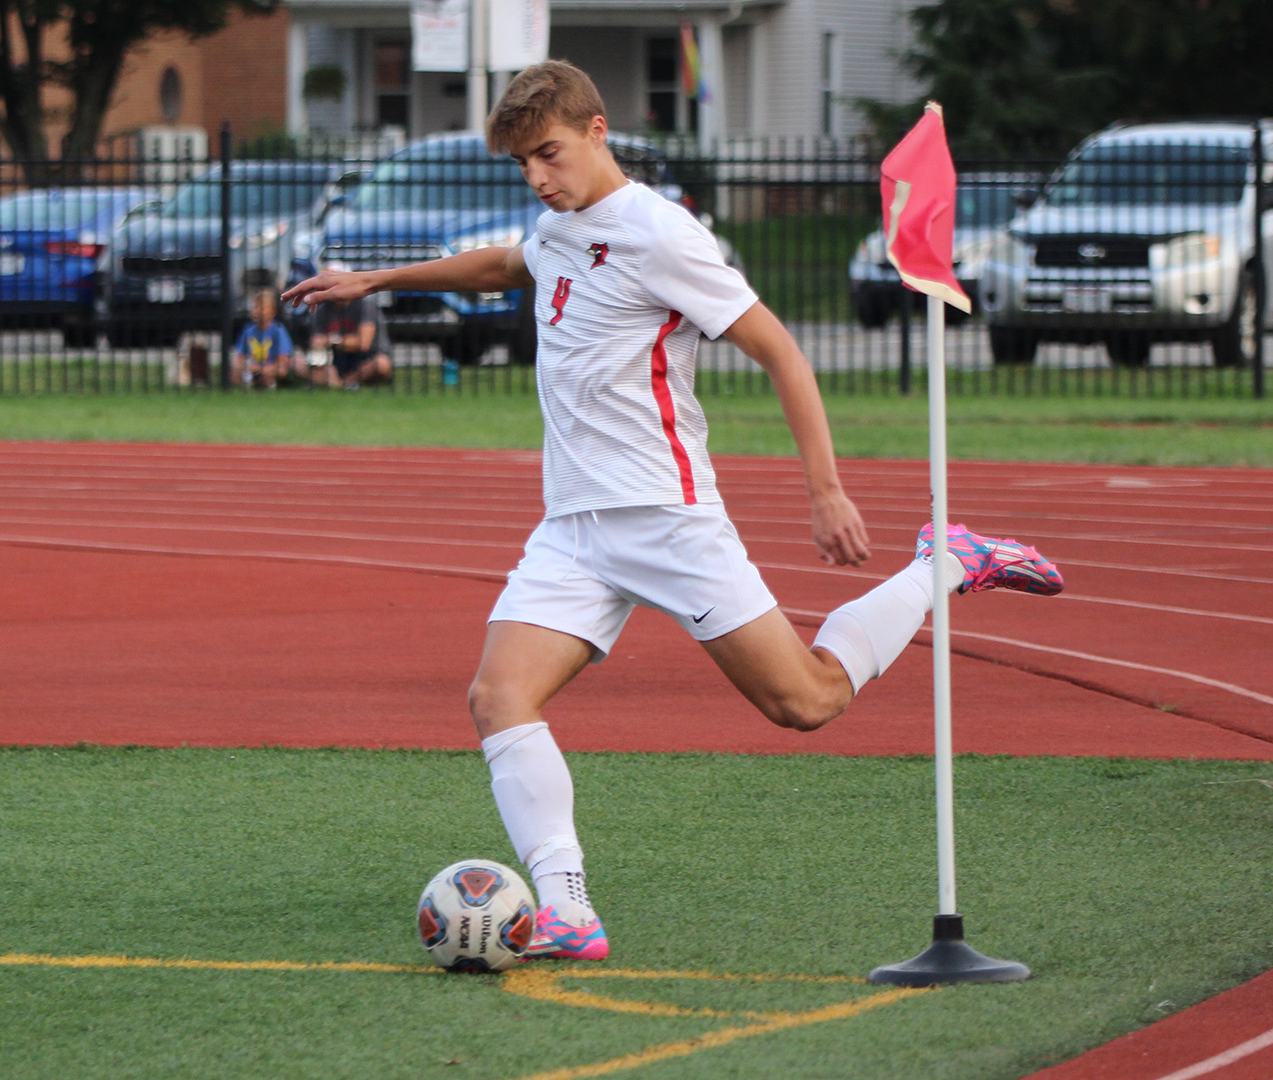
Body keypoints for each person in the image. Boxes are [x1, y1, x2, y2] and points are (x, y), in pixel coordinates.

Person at [282, 60, 1062, 962]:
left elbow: (782, 354)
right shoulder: (559, 225)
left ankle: (949, 562)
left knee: (804, 701)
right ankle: (570, 909)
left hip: (667, 515)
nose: (538, 177)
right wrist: (372, 282)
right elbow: (507, 263)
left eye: (550, 154)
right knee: (498, 698)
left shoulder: (664, 235)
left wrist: (825, 489)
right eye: (524, 164)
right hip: (572, 527)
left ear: (597, 130)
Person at [308, 292, 393, 388]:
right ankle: (341, 383)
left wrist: (333, 340)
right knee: (299, 363)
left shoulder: (365, 306)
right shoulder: (323, 309)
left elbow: (363, 344)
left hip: (366, 359)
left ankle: (345, 382)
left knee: (381, 364)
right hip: (336, 360)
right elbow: (316, 342)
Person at [233, 289, 302, 389]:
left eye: (261, 308)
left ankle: (267, 384)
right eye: (254, 308)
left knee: (280, 370)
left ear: (273, 312)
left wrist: (264, 369)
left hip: (270, 367)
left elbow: (283, 360)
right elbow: (239, 356)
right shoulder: (248, 330)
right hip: (252, 367)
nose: (256, 312)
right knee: (235, 368)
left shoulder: (278, 330)